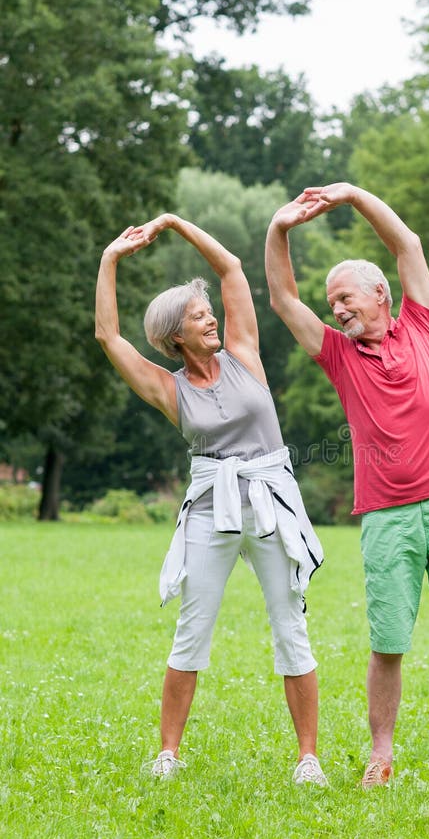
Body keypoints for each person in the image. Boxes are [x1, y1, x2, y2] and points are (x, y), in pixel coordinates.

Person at [265, 183, 429, 790]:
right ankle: (381, 757)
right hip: (387, 516)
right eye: (331, 302)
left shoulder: (423, 326)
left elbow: (408, 244)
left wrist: (352, 196)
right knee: (388, 643)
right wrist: (279, 229)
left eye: (344, 297)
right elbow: (282, 299)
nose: (337, 309)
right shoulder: (338, 356)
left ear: (380, 294)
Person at [95, 213, 327, 785]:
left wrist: (176, 224)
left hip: (270, 501)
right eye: (199, 316)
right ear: (176, 334)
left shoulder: (244, 353)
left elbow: (232, 270)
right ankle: (168, 755)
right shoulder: (167, 388)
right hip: (210, 508)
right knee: (191, 631)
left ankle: (308, 760)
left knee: (290, 628)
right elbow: (109, 337)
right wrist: (110, 259)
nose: (211, 319)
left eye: (209, 312)